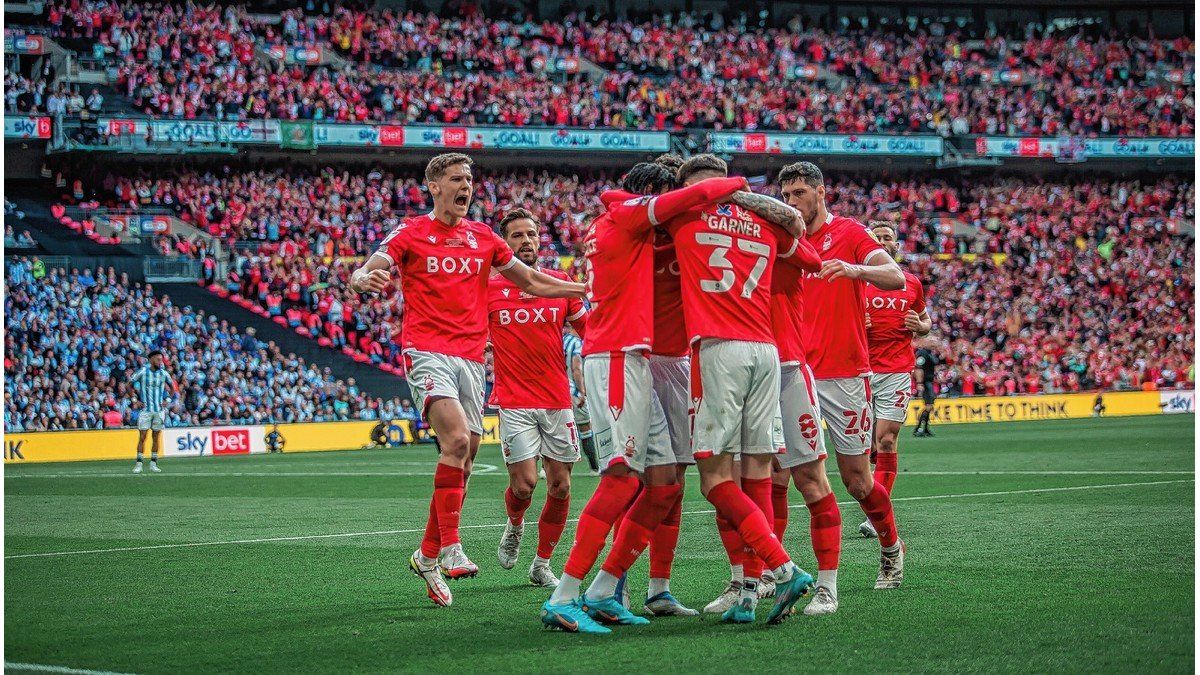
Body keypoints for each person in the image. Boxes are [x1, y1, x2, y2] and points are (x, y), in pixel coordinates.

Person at [349, 153, 584, 608]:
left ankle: (428, 554)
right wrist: (362, 276)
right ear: (433, 186)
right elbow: (375, 261)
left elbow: (532, 282)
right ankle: (453, 546)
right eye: (456, 179)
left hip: (471, 360)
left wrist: (584, 290)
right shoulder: (413, 231)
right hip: (426, 351)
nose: (466, 186)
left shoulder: (484, 238)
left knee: (468, 455)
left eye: (469, 180)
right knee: (456, 441)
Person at [541, 162, 749, 634]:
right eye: (668, 191)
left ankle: (603, 589)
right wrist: (740, 183)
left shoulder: (616, 221)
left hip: (631, 356)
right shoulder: (628, 215)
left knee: (666, 483)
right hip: (615, 355)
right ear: (651, 194)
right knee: (619, 479)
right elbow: (684, 202)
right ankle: (565, 595)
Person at [657, 154, 821, 625]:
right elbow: (808, 255)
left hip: (718, 351)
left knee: (713, 480)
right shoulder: (762, 221)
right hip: (765, 351)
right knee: (757, 475)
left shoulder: (682, 214)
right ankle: (750, 594)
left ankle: (782, 567)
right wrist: (765, 207)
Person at [779, 161, 908, 603]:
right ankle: (775, 577)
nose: (791, 202)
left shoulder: (851, 233)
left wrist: (855, 271)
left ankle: (891, 547)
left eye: (799, 193)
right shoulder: (785, 238)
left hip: (845, 373)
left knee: (856, 480)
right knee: (790, 476)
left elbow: (895, 276)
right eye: (786, 195)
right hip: (794, 370)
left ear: (820, 192)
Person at [488, 208, 588, 589]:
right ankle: (515, 525)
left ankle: (542, 562)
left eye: (531, 234)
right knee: (524, 485)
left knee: (561, 485)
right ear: (504, 244)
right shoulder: (489, 289)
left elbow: (587, 329)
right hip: (513, 401)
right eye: (516, 236)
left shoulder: (560, 282)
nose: (526, 241)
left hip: (556, 400)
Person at [860, 221, 932, 539]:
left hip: (896, 371)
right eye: (876, 237)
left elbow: (925, 321)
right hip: (857, 371)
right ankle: (874, 465)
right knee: (864, 445)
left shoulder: (911, 283)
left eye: (887, 237)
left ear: (896, 246)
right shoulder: (856, 281)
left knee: (886, 439)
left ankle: (877, 514)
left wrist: (921, 324)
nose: (882, 241)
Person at [131, 350, 177, 473]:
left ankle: (153, 463)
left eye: (161, 360)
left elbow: (173, 387)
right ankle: (139, 464)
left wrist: (167, 399)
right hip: (146, 410)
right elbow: (129, 384)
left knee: (156, 437)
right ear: (151, 360)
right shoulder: (143, 371)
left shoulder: (164, 373)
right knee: (142, 437)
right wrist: (135, 399)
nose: (160, 362)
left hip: (159, 410)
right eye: (157, 359)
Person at [562, 326, 598, 474]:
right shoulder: (576, 343)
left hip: (557, 389)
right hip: (573, 390)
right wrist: (582, 391)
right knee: (585, 428)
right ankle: (594, 467)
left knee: (557, 431)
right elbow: (576, 368)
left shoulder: (560, 341)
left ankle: (546, 469)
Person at [913, 340, 940, 436]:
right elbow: (919, 368)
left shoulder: (930, 353)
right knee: (928, 406)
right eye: (931, 341)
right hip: (925, 383)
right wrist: (919, 383)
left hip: (930, 382)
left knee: (930, 406)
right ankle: (919, 428)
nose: (933, 343)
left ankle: (925, 428)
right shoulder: (922, 353)